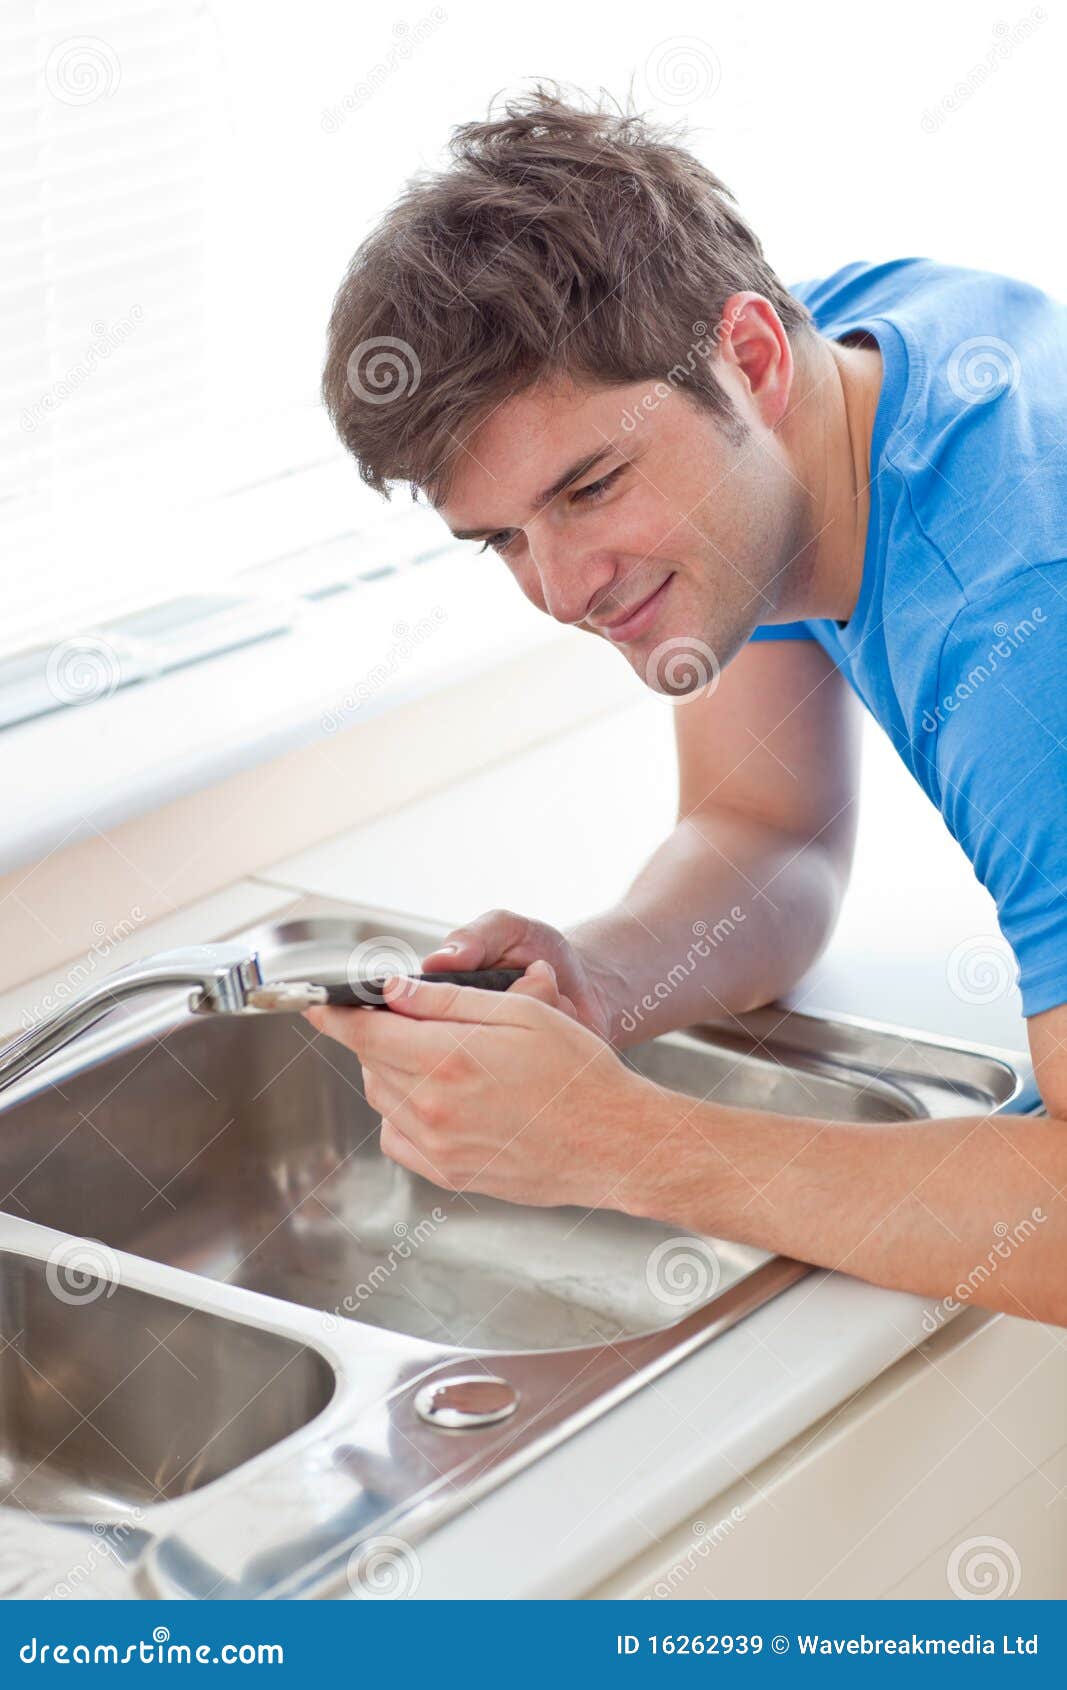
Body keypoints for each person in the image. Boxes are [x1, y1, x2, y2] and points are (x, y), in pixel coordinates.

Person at [310, 88, 1066, 1325]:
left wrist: (623, 1143)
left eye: (591, 486)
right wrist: (597, 979)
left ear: (752, 361)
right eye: (500, 539)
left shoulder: (1022, 619)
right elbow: (764, 828)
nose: (561, 589)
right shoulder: (839, 381)